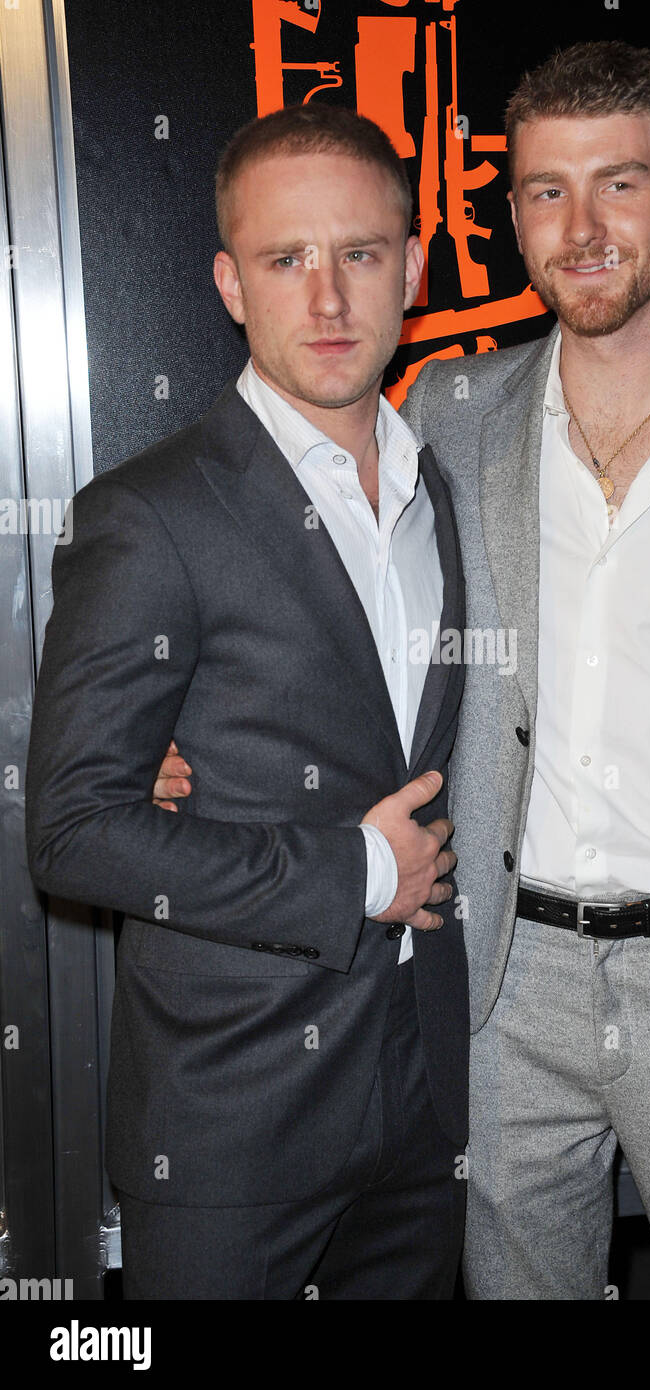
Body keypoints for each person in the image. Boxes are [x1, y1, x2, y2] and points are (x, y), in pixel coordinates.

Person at [156, 40, 650, 1299]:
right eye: (543, 191)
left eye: (617, 185)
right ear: (508, 214)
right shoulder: (448, 412)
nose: (580, 227)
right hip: (502, 991)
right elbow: (323, 580)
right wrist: (185, 722)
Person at [25, 104, 469, 1300]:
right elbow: (71, 827)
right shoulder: (150, 514)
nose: (326, 301)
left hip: (429, 1115)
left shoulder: (448, 492)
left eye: (360, 255)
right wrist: (354, 875)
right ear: (230, 283)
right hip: (232, 1130)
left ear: (413, 271)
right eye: (286, 260)